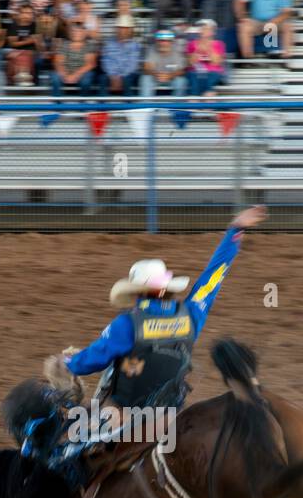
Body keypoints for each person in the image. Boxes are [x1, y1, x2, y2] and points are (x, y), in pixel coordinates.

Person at [30, 204, 269, 482]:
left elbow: (91, 362)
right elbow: (213, 278)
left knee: (69, 446)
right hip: (169, 414)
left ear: (138, 292)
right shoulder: (191, 315)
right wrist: (235, 232)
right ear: (166, 289)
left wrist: (66, 362)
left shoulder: (127, 324)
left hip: (122, 414)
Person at [101, 18, 142, 94]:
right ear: (116, 29)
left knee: (127, 80)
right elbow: (106, 61)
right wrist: (113, 76)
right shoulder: (108, 43)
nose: (123, 31)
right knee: (102, 79)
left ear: (130, 30)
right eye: (120, 28)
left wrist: (120, 76)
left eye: (126, 28)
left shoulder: (135, 45)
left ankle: (129, 105)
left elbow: (132, 65)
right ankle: (102, 105)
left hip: (128, 74)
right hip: (112, 74)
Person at [187, 18, 227, 94]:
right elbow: (190, 63)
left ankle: (207, 97)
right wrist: (198, 47)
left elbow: (216, 62)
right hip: (195, 72)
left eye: (206, 29)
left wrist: (208, 47)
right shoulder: (192, 44)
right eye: (202, 28)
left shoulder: (219, 44)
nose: (203, 31)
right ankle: (197, 100)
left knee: (209, 79)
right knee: (194, 79)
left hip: (213, 72)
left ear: (212, 32)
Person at [142, 29, 188, 96]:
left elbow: (181, 70)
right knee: (145, 79)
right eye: (161, 40)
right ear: (157, 42)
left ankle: (176, 105)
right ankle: (146, 105)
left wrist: (170, 75)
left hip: (171, 77)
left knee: (181, 81)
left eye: (166, 41)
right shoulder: (152, 49)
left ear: (171, 42)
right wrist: (155, 74)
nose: (163, 43)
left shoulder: (176, 50)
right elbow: (146, 67)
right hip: (155, 77)